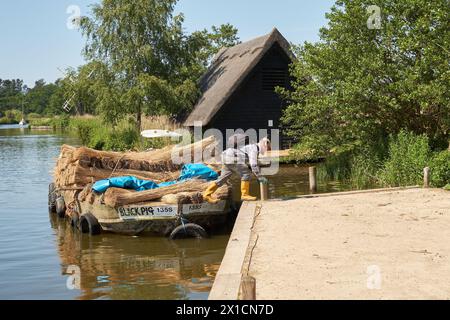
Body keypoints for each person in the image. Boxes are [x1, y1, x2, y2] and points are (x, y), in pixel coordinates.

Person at [203, 134, 271, 203]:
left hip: (225, 156)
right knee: (246, 173)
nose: (268, 149)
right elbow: (253, 164)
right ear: (265, 145)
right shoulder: (254, 149)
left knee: (223, 179)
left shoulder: (251, 147)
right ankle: (244, 195)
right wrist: (260, 177)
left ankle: (207, 194)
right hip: (232, 158)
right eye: (268, 147)